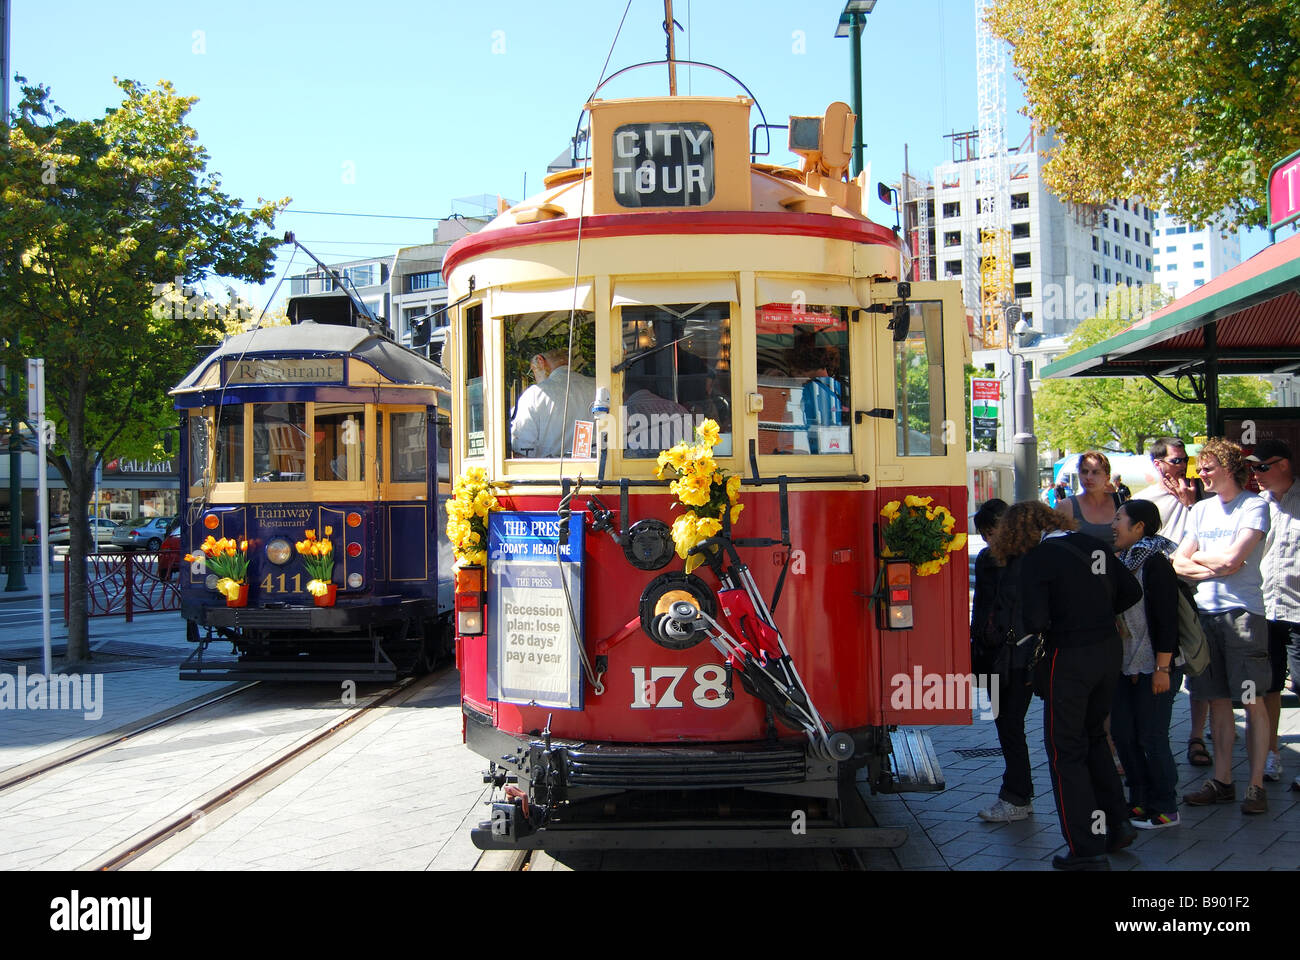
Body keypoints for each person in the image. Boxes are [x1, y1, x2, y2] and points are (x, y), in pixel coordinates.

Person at [992, 501, 1143, 870]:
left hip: (1069, 657)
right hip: (1107, 650)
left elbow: (1036, 619)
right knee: (1093, 738)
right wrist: (1096, 611)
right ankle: (1116, 824)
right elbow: (1130, 592)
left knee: (1065, 751)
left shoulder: (1039, 559)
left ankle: (1085, 847)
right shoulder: (1092, 545)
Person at [1173, 438, 1272, 815]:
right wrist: (1216, 564)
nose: (1201, 474)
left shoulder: (1254, 506)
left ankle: (1256, 785)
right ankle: (1223, 780)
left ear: (1230, 468)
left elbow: (1233, 560)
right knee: (1216, 700)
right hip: (1205, 616)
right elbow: (1177, 564)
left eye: (1209, 467)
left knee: (1251, 699)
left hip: (1243, 615)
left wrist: (1203, 561)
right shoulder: (1199, 510)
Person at [1134, 437, 1213, 769]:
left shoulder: (1204, 495)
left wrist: (1192, 503)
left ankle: (1197, 736)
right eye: (1177, 461)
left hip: (1203, 591)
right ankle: (1152, 741)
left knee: (1201, 669)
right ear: (1158, 464)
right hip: (1165, 596)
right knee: (1166, 668)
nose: (1184, 466)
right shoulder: (1142, 501)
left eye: (1186, 460)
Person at [1110, 499, 1183, 829]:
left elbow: (1167, 620)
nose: (1113, 524)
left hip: (1157, 666)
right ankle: (1138, 800)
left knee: (1152, 737)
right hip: (1126, 666)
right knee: (1124, 734)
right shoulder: (1122, 561)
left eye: (1119, 518)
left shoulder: (1155, 563)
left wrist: (1162, 669)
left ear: (1139, 526)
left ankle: (1166, 806)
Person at [970, 499, 1037, 823]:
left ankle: (1017, 796)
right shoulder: (988, 559)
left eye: (991, 531)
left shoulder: (1029, 558)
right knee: (1007, 725)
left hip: (1017, 654)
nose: (988, 539)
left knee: (1010, 726)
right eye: (985, 534)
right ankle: (1018, 794)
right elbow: (981, 608)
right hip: (994, 653)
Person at [1248, 439, 1299, 789]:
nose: (1256, 474)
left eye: (1262, 467)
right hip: (1266, 610)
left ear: (1283, 465)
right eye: (1253, 468)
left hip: (1298, 612)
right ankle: (1271, 754)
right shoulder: (1257, 506)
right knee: (1268, 687)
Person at [510, 348, 597, 459]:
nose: (534, 378)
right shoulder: (597, 387)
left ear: (540, 361)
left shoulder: (535, 395)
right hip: (598, 472)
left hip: (548, 474)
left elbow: (522, 452)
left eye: (532, 372)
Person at [1055, 451, 1124, 548]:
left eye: (1095, 472)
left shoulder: (1121, 503)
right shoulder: (1066, 506)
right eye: (1084, 472)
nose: (1089, 477)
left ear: (1107, 477)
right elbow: (1054, 545)